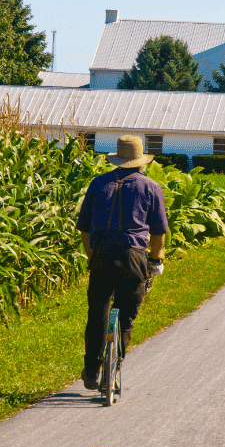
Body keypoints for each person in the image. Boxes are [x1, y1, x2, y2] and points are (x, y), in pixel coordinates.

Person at [76, 134, 168, 390]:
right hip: (133, 255)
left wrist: (92, 256)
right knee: (126, 315)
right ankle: (113, 369)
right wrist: (155, 261)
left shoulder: (97, 184)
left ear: (117, 159)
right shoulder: (151, 187)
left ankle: (92, 369)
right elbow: (159, 232)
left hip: (102, 253)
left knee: (97, 313)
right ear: (141, 161)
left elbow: (84, 229)